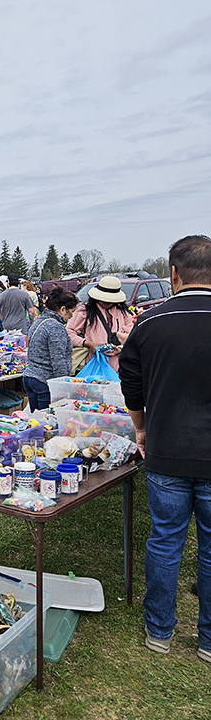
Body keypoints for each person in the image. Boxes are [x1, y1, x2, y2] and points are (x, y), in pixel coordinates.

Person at [119, 234, 211, 664]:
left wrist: (140, 429)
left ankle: (160, 631)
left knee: (165, 541)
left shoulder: (149, 322)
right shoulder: (148, 321)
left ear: (173, 275)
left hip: (166, 449)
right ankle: (208, 640)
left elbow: (131, 384)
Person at [22, 287, 79, 411]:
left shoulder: (38, 322)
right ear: (62, 309)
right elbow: (58, 360)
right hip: (45, 381)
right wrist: (63, 387)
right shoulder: (55, 327)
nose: (72, 316)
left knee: (36, 418)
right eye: (72, 311)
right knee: (48, 419)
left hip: (30, 377)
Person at [66, 275, 135, 371]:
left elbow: (132, 337)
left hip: (119, 367)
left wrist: (120, 349)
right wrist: (88, 344)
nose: (107, 302)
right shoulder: (84, 312)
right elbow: (68, 333)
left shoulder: (124, 314)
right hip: (93, 365)